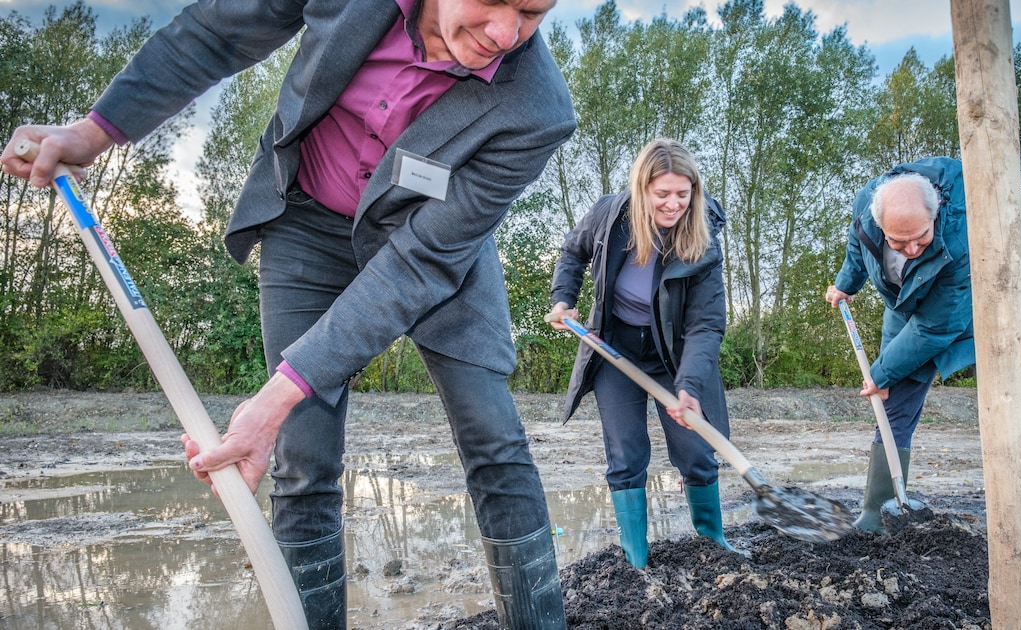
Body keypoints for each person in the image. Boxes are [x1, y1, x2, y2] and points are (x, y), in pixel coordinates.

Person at [2, 1, 576, 628]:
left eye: (533, 11)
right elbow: (217, 32)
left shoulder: (537, 110)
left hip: (431, 249)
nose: (506, 33)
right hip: (307, 222)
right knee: (303, 461)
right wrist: (93, 133)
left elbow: (421, 263)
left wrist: (273, 399)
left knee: (494, 439)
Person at [544, 138, 734, 568]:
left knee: (697, 451)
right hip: (615, 349)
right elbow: (573, 252)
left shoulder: (703, 240)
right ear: (641, 188)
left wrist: (689, 386)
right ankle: (636, 562)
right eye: (662, 193)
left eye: (683, 194)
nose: (673, 204)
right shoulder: (609, 216)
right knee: (626, 456)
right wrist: (563, 298)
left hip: (675, 355)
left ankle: (713, 546)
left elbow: (706, 324)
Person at [824, 156, 975, 534]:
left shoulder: (961, 239)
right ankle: (878, 513)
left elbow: (937, 327)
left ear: (935, 215)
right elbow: (858, 247)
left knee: (892, 384)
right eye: (898, 241)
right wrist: (845, 284)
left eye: (921, 238)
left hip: (950, 316)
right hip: (902, 304)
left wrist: (881, 372)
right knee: (889, 402)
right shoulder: (867, 207)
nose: (910, 250)